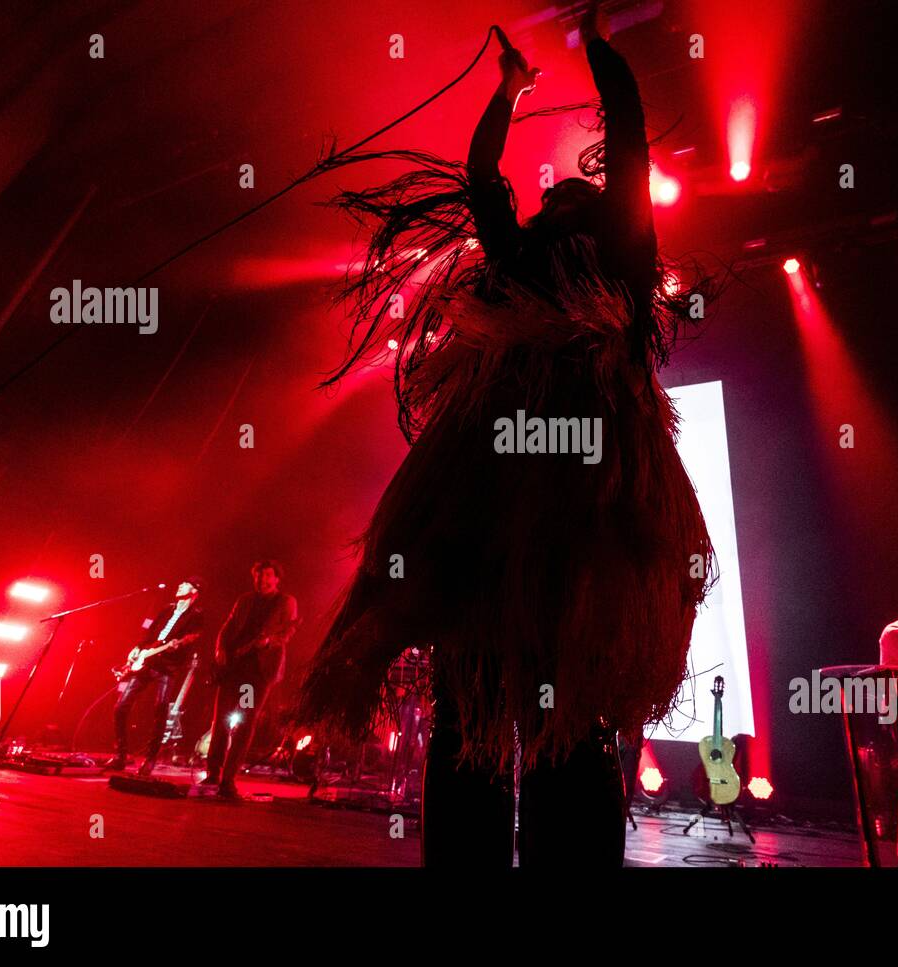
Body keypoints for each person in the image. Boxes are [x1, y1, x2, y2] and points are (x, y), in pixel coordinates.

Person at [297, 1, 717, 867]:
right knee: (475, 703)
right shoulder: (522, 263)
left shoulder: (620, 266)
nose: (560, 195)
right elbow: (483, 179)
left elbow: (624, 143)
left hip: (583, 499)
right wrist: (510, 91)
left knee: (565, 714)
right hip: (500, 489)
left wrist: (599, 47)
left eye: (574, 193)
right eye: (555, 194)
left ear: (595, 212)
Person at [202, 560, 299, 799]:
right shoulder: (245, 600)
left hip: (258, 671)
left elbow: (287, 632)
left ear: (277, 579)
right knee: (220, 721)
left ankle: (228, 779)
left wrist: (269, 642)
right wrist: (220, 649)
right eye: (258, 576)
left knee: (245, 723)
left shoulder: (286, 602)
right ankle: (213, 773)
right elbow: (228, 626)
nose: (262, 580)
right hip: (233, 666)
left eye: (267, 576)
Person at [107, 577, 205, 776]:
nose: (179, 585)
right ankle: (121, 755)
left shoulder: (196, 616)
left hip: (167, 667)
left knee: (160, 711)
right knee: (121, 706)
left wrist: (179, 644)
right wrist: (137, 648)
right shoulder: (166, 609)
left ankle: (151, 759)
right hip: (146, 661)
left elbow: (194, 637)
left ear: (194, 591)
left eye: (184, 584)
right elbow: (150, 632)